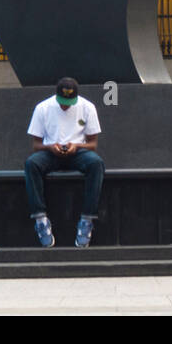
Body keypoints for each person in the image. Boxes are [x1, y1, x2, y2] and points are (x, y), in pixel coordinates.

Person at [24, 77, 104, 248]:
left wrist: (76, 145)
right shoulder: (43, 108)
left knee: (96, 163)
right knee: (31, 164)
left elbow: (93, 144)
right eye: (62, 102)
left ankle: (87, 220)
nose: (65, 106)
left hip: (78, 151)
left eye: (69, 102)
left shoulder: (87, 107)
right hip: (50, 152)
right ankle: (40, 219)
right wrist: (51, 147)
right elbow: (36, 145)